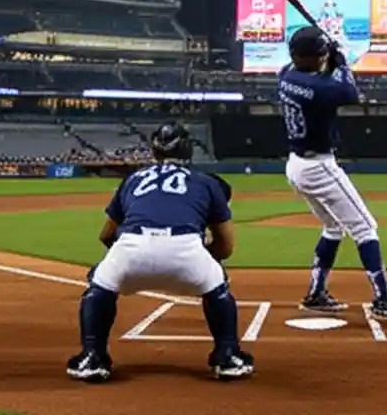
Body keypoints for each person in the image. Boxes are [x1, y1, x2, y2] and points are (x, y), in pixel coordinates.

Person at [66, 123, 252, 384]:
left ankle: (92, 357)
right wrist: (204, 257)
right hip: (186, 251)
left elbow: (106, 235)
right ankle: (228, 356)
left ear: (154, 150)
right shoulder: (207, 182)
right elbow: (226, 247)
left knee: (99, 285)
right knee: (218, 285)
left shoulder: (133, 179)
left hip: (131, 247)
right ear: (189, 149)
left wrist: (126, 262)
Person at [278, 25, 387, 321]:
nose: (322, 57)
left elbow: (321, 77)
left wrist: (329, 56)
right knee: (365, 228)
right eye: (319, 54)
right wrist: (339, 59)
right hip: (318, 166)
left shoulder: (286, 74)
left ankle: (316, 293)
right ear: (307, 57)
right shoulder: (320, 89)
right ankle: (383, 299)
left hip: (296, 164)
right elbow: (350, 92)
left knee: (333, 227)